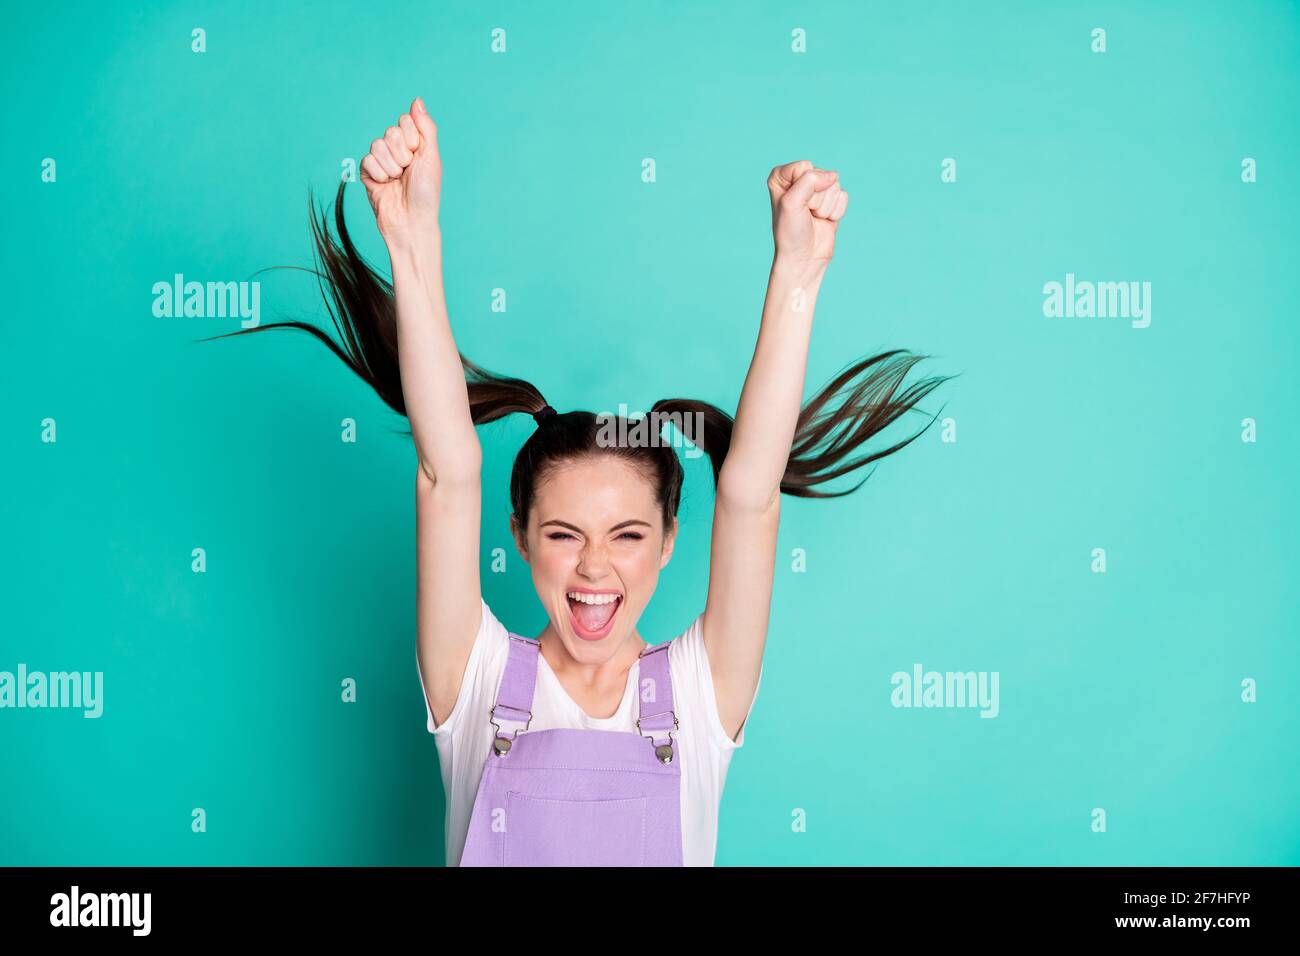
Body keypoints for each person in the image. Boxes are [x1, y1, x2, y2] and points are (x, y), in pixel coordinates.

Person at [210, 97, 954, 866]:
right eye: (563, 535)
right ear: (521, 539)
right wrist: (410, 235)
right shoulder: (478, 683)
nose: (594, 568)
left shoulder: (700, 699)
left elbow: (750, 493)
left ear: (669, 541)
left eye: (627, 535)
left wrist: (800, 268)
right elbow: (448, 470)